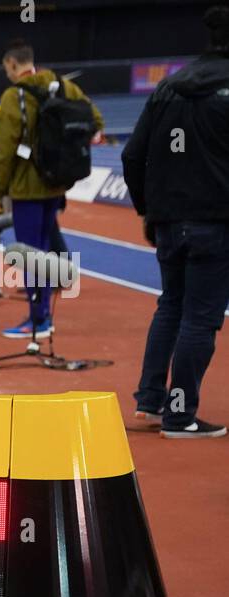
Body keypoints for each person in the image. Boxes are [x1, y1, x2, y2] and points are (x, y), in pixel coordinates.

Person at [123, 5, 229, 438]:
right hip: (214, 222)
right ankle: (180, 414)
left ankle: (150, 399)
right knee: (200, 318)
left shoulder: (167, 87)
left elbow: (133, 155)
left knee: (171, 305)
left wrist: (148, 209)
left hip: (170, 221)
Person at [0, 39, 103, 339]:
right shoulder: (65, 86)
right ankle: (43, 315)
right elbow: (96, 120)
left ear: (13, 65)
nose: (7, 74)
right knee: (45, 253)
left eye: (7, 69)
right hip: (56, 185)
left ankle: (39, 320)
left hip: (27, 189)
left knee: (29, 256)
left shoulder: (15, 96)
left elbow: (3, 150)